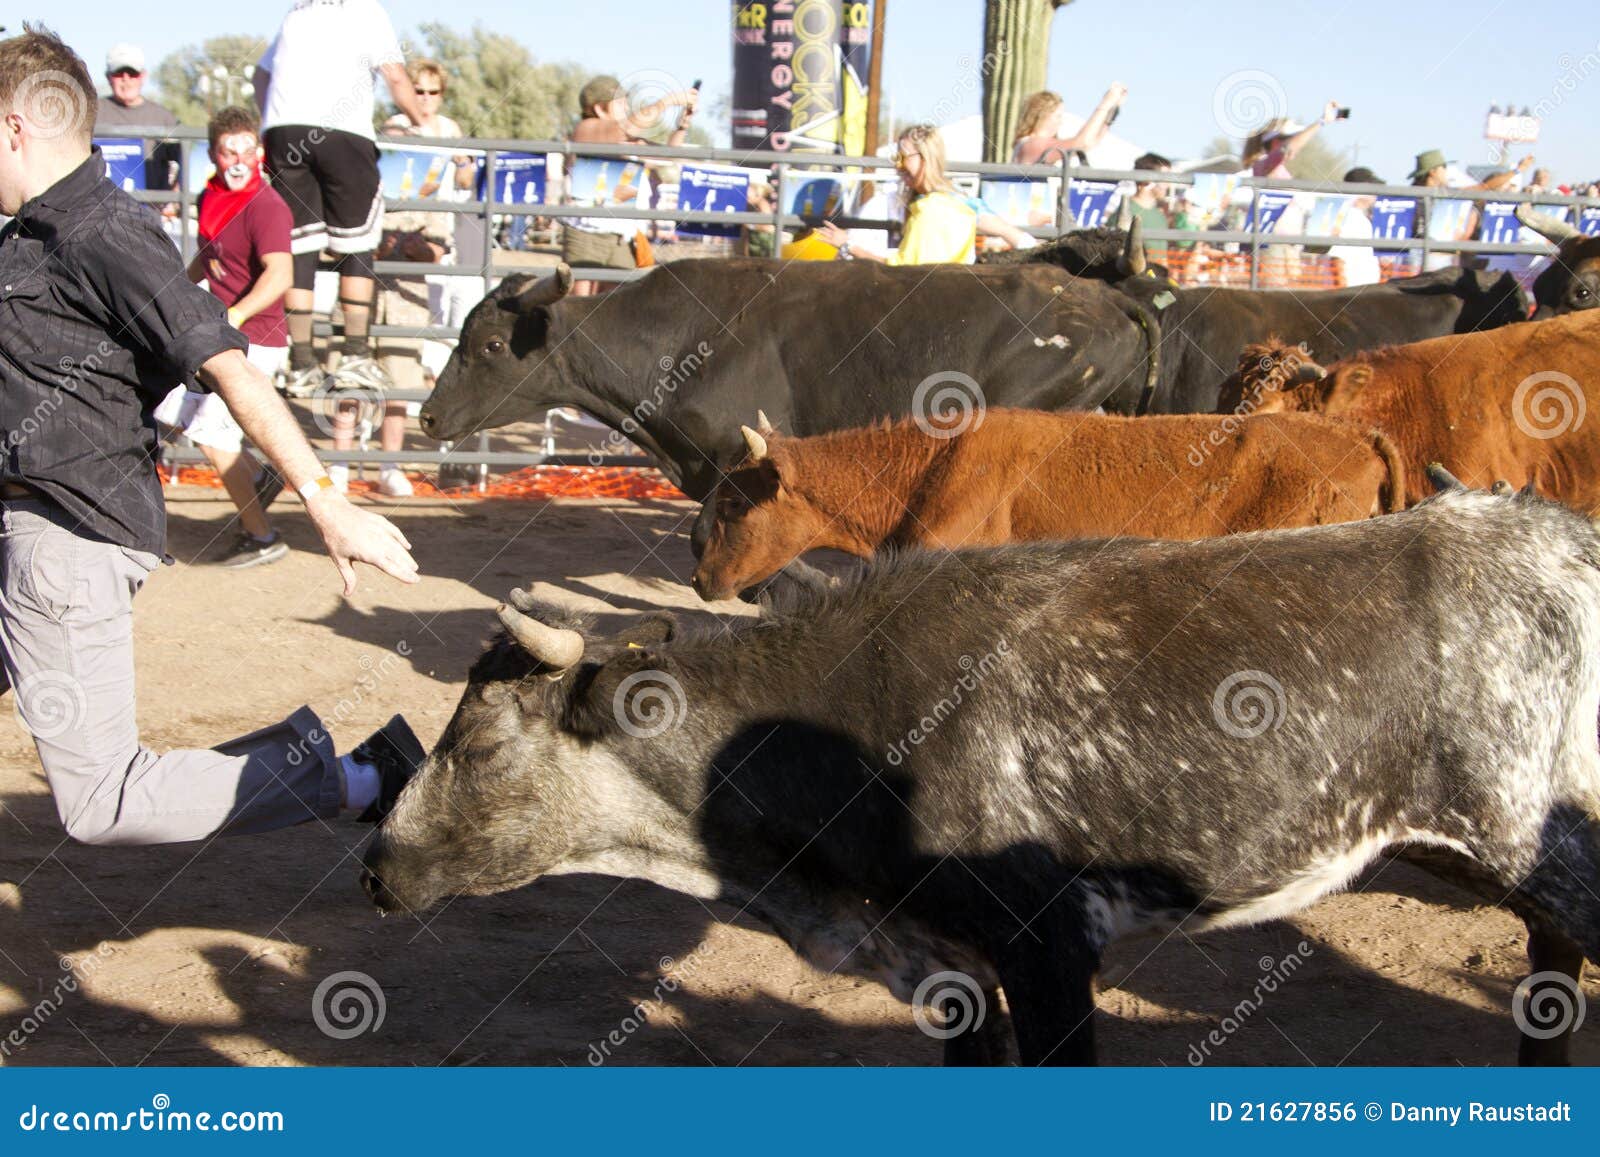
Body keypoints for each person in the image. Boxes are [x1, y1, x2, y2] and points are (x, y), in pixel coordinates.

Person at [0, 27, 422, 846]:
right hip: (23, 525)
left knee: (105, 801)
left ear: (14, 124)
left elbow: (232, 367)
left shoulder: (105, 235)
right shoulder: (30, 234)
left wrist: (327, 504)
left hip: (65, 538)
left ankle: (363, 777)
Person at [254, 0, 425, 401]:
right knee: (357, 241)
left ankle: (301, 361)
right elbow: (396, 78)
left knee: (300, 246)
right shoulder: (368, 11)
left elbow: (262, 77)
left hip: (284, 131)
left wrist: (269, 120)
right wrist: (421, 121)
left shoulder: (296, 13)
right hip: (344, 131)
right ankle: (354, 354)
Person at [155, 105, 293, 567]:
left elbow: (279, 276)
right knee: (168, 405)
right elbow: (207, 256)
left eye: (245, 150)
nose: (237, 159)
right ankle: (258, 479)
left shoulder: (268, 206)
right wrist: (172, 291)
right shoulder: (209, 195)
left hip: (259, 336)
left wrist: (234, 315)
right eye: (226, 150)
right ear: (214, 153)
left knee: (211, 434)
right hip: (221, 330)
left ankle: (262, 537)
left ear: (259, 153)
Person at [348, 58, 474, 499]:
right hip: (377, 238)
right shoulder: (393, 126)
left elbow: (466, 175)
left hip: (425, 238)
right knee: (353, 368)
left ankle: (389, 465)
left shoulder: (449, 129)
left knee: (401, 371)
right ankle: (342, 463)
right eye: (416, 90)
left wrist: (459, 162)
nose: (423, 98)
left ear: (441, 95)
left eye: (431, 92)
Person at [818, 124, 1034, 264]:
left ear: (925, 158)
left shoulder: (932, 209)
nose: (898, 165)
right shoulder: (964, 202)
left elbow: (904, 270)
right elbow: (1021, 239)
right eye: (896, 158)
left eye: (904, 158)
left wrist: (848, 245)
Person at [565, 74, 698, 295]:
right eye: (621, 103)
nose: (627, 107)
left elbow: (668, 156)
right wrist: (668, 101)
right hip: (586, 232)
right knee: (578, 303)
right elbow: (627, 128)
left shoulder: (629, 137)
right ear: (599, 108)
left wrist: (681, 125)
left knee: (616, 303)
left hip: (622, 237)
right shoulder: (585, 129)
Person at [91, 42, 179, 198]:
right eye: (119, 74)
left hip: (149, 212)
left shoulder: (164, 118)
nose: (126, 79)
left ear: (143, 76)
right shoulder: (91, 113)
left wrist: (171, 200)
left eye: (132, 73)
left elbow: (182, 165)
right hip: (100, 209)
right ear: (108, 77)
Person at [1011, 84, 1127, 165]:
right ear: (1041, 115)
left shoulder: (1039, 144)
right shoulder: (1030, 145)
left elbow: (1090, 142)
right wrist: (1105, 103)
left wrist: (1113, 110)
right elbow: (1081, 143)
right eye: (1057, 116)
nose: (1060, 122)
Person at [1326, 166, 1382, 288]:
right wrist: (1341, 291)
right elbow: (1337, 257)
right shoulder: (1347, 216)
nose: (1375, 192)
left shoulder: (1360, 217)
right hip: (1351, 289)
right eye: (1371, 186)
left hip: (1362, 289)